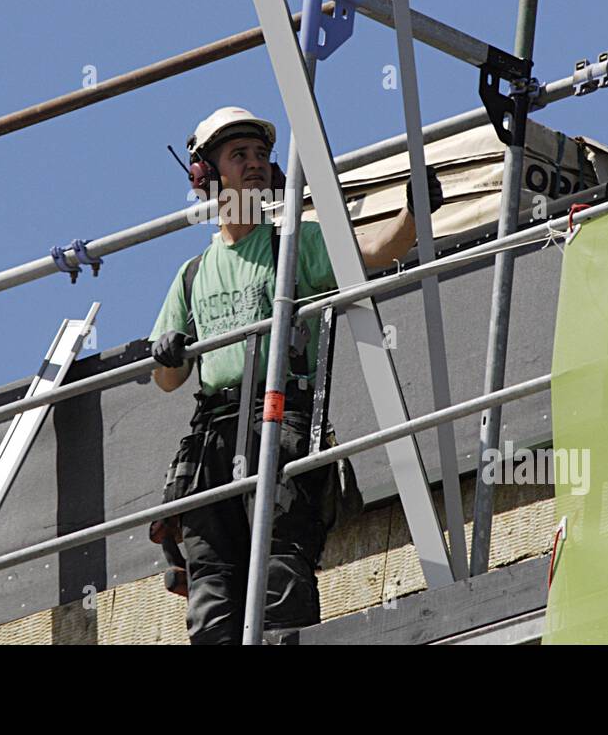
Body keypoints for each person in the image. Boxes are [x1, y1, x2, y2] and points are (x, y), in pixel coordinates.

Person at [148, 106, 443, 645]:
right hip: (213, 440)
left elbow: (373, 253)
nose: (256, 164)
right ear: (207, 176)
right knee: (213, 594)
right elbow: (168, 381)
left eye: (262, 155)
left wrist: (413, 212)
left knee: (281, 579)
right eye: (240, 155)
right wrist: (168, 355)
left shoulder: (294, 245)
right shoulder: (191, 276)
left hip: (279, 427)